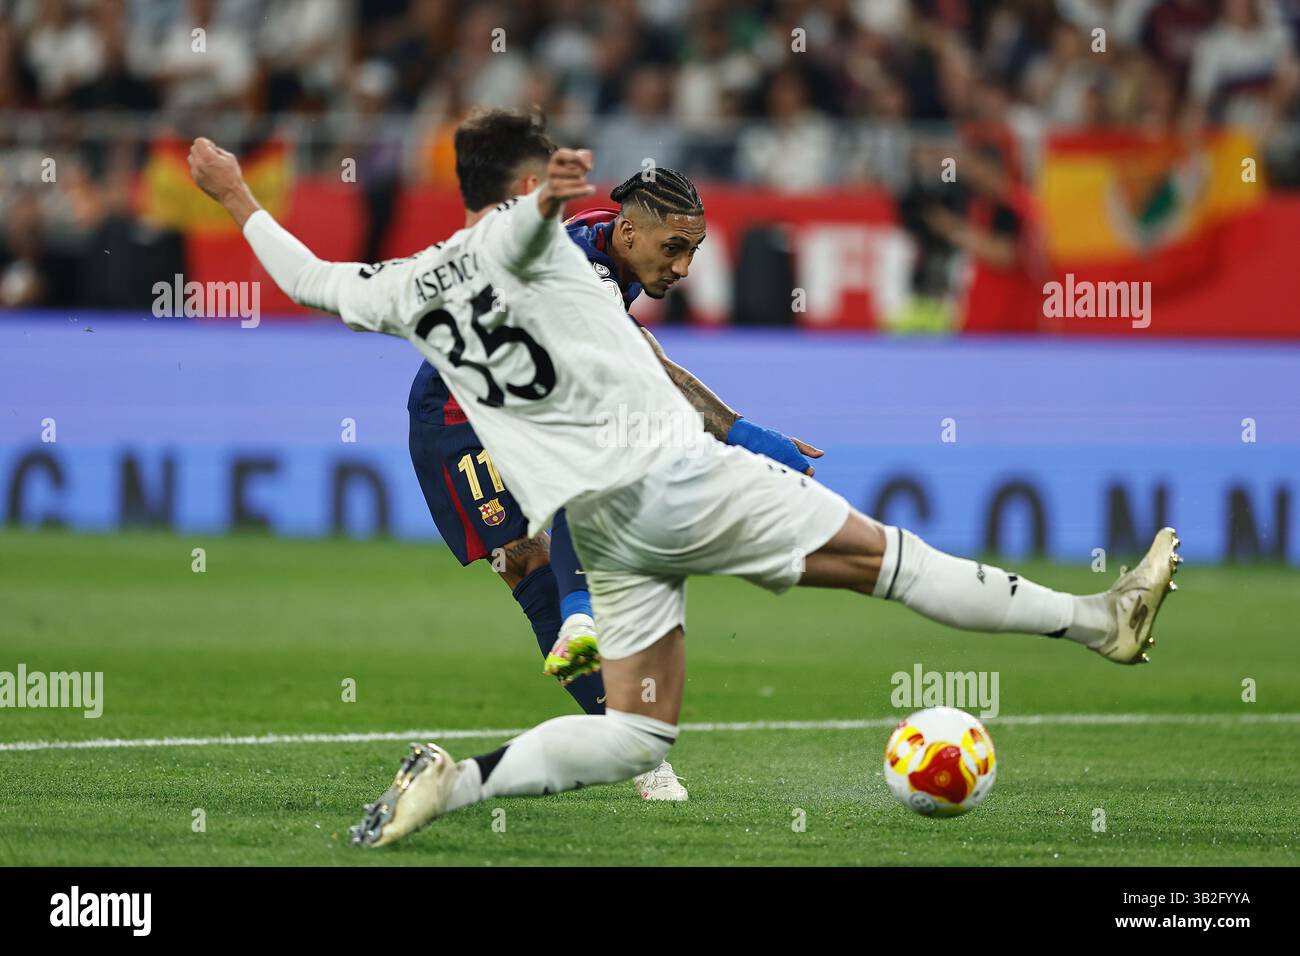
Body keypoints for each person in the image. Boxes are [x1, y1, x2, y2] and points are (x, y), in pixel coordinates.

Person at [186, 126, 1181, 851]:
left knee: (633, 731)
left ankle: (453, 783)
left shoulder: (407, 284)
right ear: (533, 190)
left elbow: (311, 279)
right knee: (894, 561)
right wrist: (559, 191)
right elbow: (536, 237)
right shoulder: (548, 244)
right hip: (674, 477)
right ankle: (1100, 618)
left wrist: (237, 197)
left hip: (607, 524)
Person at [403, 111, 820, 800]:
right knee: (533, 550)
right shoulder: (582, 265)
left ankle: (604, 685)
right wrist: (748, 436)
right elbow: (649, 369)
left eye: (694, 250)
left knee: (572, 501)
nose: (684, 267)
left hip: (516, 404)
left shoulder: (605, 240)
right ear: (630, 233)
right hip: (458, 417)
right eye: (675, 248)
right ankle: (589, 642)